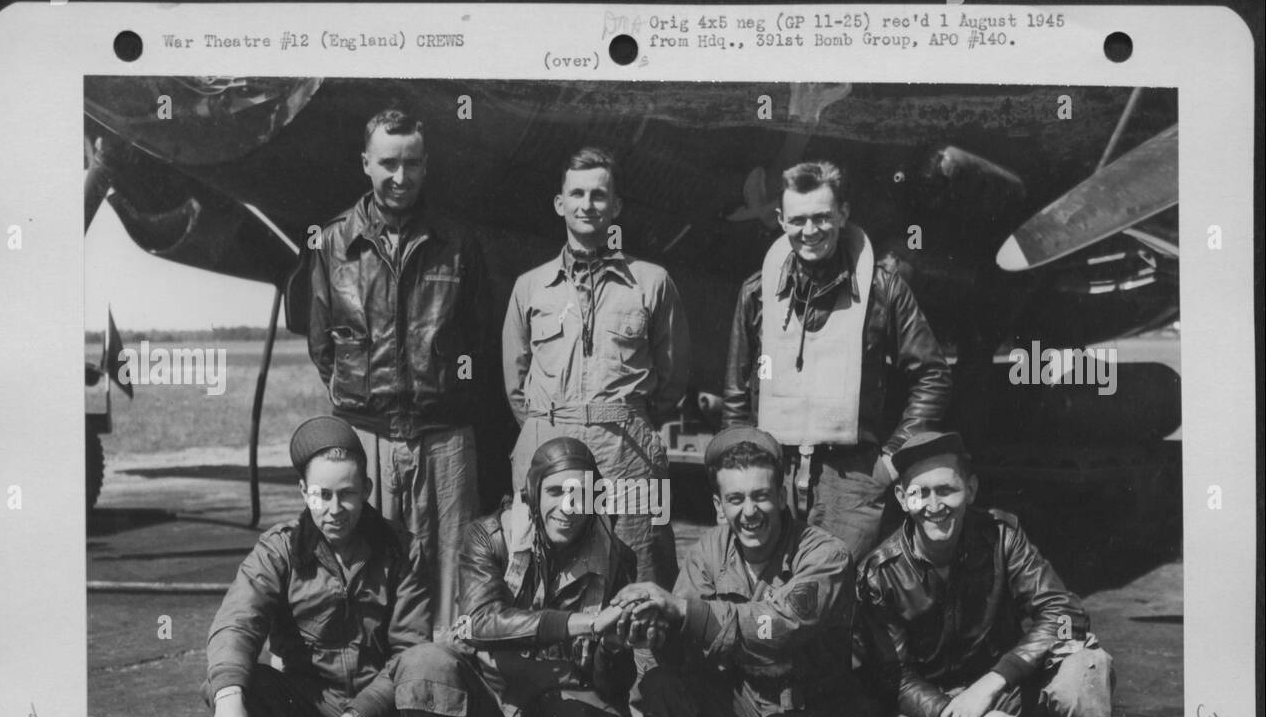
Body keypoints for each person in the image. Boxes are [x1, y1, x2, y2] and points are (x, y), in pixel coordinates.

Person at [616, 427, 908, 717]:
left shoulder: (826, 554)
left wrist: (681, 611)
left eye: (761, 496)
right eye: (735, 500)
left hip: (822, 716)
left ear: (783, 495)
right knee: (658, 679)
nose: (749, 512)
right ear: (718, 506)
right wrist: (652, 633)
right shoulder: (707, 553)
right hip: (745, 711)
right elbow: (682, 647)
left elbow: (779, 626)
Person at [857, 430, 1125, 717]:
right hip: (926, 706)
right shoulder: (879, 573)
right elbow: (894, 677)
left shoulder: (1002, 536)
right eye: (921, 493)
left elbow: (1063, 613)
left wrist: (991, 684)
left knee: (1086, 664)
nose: (935, 504)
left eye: (947, 489)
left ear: (971, 490)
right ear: (904, 498)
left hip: (1003, 692)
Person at [388, 437, 655, 717]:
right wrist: (582, 623)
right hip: (488, 689)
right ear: (531, 493)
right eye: (555, 492)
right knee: (426, 666)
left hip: (560, 695)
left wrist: (615, 643)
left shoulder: (616, 557)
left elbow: (613, 683)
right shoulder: (486, 536)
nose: (568, 507)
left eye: (581, 494)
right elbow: (481, 622)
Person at [204, 416, 439, 717]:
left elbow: (410, 656)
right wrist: (229, 698)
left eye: (348, 493)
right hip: (306, 701)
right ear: (303, 492)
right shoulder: (280, 551)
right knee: (228, 687)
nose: (336, 508)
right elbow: (236, 624)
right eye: (323, 495)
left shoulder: (401, 551)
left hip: (377, 706)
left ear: (367, 488)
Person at [309, 106, 495, 637]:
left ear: (426, 164)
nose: (400, 177)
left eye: (412, 163)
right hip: (366, 435)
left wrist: (444, 395)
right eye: (388, 163)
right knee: (364, 571)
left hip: (445, 438)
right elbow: (323, 343)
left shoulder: (459, 242)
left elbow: (478, 342)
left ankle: (450, 688)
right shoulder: (331, 244)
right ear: (365, 162)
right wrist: (366, 396)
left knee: (455, 581)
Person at [722, 160, 951, 563]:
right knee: (774, 591)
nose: (809, 231)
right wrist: (740, 475)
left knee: (847, 596)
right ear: (780, 219)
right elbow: (736, 392)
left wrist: (892, 458)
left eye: (822, 218)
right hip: (774, 471)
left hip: (853, 478)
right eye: (798, 220)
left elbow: (932, 374)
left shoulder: (884, 290)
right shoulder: (756, 293)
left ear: (843, 214)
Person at [503, 146, 689, 588]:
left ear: (616, 206)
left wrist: (629, 420)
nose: (588, 205)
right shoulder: (530, 287)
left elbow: (672, 377)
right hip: (549, 440)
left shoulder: (652, 282)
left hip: (626, 449)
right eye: (578, 194)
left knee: (641, 566)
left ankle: (645, 659)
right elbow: (515, 382)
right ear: (560, 203)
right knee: (545, 569)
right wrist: (547, 428)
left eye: (600, 195)